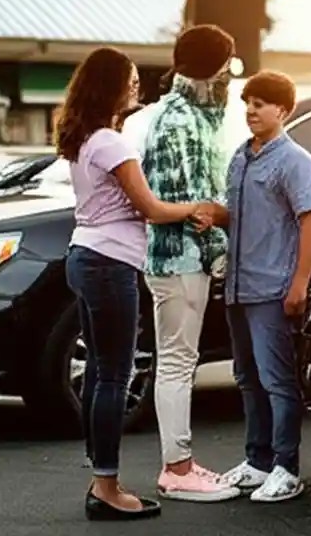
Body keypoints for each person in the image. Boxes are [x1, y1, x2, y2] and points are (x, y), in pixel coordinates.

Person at [55, 47, 205, 521]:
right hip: (108, 263)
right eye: (132, 79)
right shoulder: (112, 143)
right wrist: (201, 209)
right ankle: (107, 487)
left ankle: (101, 475)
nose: (138, 85)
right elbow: (152, 208)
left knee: (100, 371)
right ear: (110, 85)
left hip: (84, 256)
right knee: (115, 375)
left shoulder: (85, 138)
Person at [123, 25, 241, 502]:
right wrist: (221, 257)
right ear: (214, 67)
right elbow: (193, 206)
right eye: (228, 64)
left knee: (177, 361)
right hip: (180, 261)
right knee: (176, 363)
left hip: (174, 260)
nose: (232, 76)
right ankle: (177, 470)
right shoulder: (181, 122)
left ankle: (182, 464)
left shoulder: (182, 113)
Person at [198, 70, 311, 503]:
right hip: (237, 286)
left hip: (273, 288)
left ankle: (286, 468)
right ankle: (257, 462)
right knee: (247, 378)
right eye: (247, 102)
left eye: (261, 103)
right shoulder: (240, 156)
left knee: (277, 381)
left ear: (283, 111)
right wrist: (217, 215)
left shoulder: (295, 161)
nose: (250, 110)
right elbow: (245, 215)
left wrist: (299, 284)